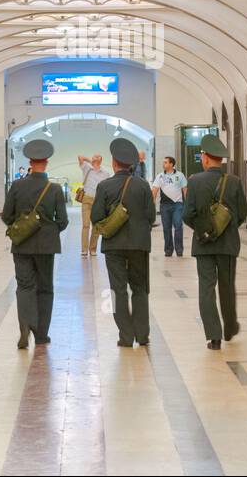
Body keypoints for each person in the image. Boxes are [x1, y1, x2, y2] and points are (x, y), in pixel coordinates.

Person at [183, 134, 247, 350]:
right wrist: (224, 228)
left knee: (206, 288)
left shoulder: (194, 181)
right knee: (227, 287)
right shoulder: (234, 182)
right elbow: (242, 214)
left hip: (203, 245)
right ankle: (230, 327)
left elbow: (187, 214)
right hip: (228, 244)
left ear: (205, 158)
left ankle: (214, 336)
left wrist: (204, 230)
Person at [1, 139, 68, 349]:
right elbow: (63, 220)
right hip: (46, 246)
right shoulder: (55, 189)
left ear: (30, 162)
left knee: (24, 286)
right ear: (46, 162)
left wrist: (21, 227)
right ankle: (41, 334)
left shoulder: (17, 185)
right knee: (45, 288)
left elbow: (6, 215)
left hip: (22, 245)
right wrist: (50, 230)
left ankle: (24, 327)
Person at [92, 138, 156, 347]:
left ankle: (126, 336)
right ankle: (143, 335)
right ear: (131, 164)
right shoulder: (143, 185)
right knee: (140, 289)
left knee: (117, 289)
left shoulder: (104, 186)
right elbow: (151, 217)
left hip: (114, 245)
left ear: (113, 162)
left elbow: (95, 217)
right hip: (139, 245)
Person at [151, 156, 188, 257]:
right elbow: (154, 190)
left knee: (178, 226)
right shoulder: (160, 176)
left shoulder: (180, 175)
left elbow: (185, 190)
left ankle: (179, 250)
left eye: (166, 162)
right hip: (165, 206)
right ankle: (168, 250)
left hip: (177, 204)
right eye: (163, 162)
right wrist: (151, 204)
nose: (163, 164)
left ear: (172, 164)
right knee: (166, 228)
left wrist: (188, 204)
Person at [76, 153, 111, 258]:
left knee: (96, 226)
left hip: (98, 200)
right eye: (94, 156)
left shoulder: (105, 173)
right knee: (85, 225)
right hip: (87, 198)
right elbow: (80, 157)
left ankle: (92, 249)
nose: (95, 157)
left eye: (98, 156)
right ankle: (84, 249)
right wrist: (89, 160)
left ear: (101, 160)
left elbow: (107, 188)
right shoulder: (87, 168)